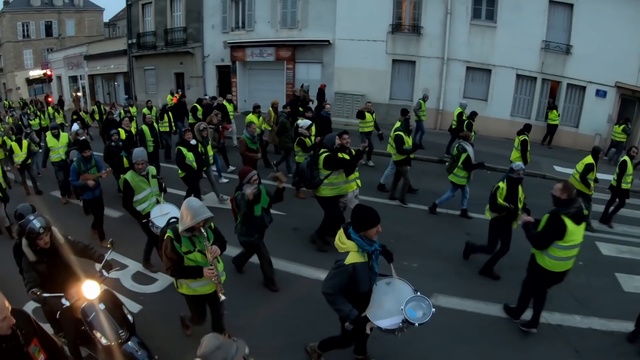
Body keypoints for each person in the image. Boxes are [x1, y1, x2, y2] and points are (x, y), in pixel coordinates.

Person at [306, 204, 394, 360]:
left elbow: (369, 250)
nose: (380, 229)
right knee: (347, 339)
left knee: (366, 329)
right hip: (352, 306)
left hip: (366, 299)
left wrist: (381, 249)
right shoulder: (348, 261)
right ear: (361, 230)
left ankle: (360, 354)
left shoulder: (365, 243)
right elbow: (329, 290)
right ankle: (317, 349)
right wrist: (353, 316)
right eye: (375, 227)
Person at [21, 215, 113, 360]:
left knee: (106, 303)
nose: (46, 240)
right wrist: (49, 299)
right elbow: (31, 285)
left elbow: (82, 248)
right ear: (33, 242)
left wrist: (101, 259)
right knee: (71, 333)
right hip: (58, 297)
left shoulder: (60, 241)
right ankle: (76, 355)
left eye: (47, 234)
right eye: (40, 238)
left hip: (78, 285)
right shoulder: (29, 260)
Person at [503, 180, 587, 333]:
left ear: (563, 195)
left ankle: (521, 315)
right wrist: (534, 221)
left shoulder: (558, 216)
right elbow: (556, 231)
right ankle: (529, 318)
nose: (551, 193)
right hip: (562, 268)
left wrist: (526, 225)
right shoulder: (577, 211)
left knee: (530, 287)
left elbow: (539, 243)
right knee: (539, 291)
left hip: (545, 265)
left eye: (554, 192)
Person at [163, 197, 230, 337]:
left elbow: (222, 241)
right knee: (199, 319)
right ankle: (186, 320)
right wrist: (201, 272)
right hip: (193, 290)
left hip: (214, 283)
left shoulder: (207, 225)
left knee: (218, 312)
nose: (201, 224)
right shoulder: (173, 238)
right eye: (197, 221)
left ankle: (220, 334)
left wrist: (218, 247)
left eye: (203, 220)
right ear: (188, 220)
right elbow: (171, 269)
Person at [463, 162, 530, 280]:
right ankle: (483, 264)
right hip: (498, 221)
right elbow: (493, 206)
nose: (520, 176)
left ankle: (475, 253)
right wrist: (508, 208)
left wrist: (524, 209)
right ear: (511, 173)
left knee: (500, 248)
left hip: (508, 222)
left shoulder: (519, 186)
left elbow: (520, 199)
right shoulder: (500, 187)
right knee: (494, 248)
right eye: (518, 173)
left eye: (522, 173)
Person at [231, 167, 285, 292]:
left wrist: (280, 185)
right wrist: (250, 201)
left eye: (257, 179)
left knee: (251, 250)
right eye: (252, 180)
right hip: (248, 231)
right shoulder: (241, 195)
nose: (256, 182)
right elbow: (245, 214)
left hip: (260, 227)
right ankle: (269, 280)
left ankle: (238, 261)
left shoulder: (260, 189)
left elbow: (274, 199)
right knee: (263, 255)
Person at [311, 131, 366, 252]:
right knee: (338, 218)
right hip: (325, 193)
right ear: (330, 142)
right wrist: (360, 151)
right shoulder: (328, 157)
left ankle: (319, 235)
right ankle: (319, 237)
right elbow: (349, 164)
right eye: (337, 140)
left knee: (330, 216)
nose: (339, 142)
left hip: (332, 192)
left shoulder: (330, 152)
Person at [120, 148, 167, 273]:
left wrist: (162, 187)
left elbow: (155, 183)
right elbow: (126, 204)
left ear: (147, 162)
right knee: (156, 239)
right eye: (137, 164)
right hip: (144, 214)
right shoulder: (129, 179)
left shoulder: (152, 169)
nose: (140, 167)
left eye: (142, 163)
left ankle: (146, 260)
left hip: (158, 208)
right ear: (133, 164)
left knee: (155, 237)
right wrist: (139, 217)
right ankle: (169, 267)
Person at [428, 131, 485, 218]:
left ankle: (463, 210)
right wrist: (479, 165)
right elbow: (468, 167)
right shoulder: (467, 151)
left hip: (455, 174)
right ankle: (434, 205)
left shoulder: (458, 146)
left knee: (465, 192)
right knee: (452, 192)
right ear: (469, 139)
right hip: (460, 177)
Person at [0, 291, 72, 359]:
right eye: (3, 319)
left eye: (9, 310)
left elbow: (52, 347)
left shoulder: (20, 317)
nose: (13, 320)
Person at [69, 139, 110, 247]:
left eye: (89, 151)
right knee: (99, 216)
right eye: (85, 152)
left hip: (98, 191)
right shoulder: (75, 165)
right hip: (87, 195)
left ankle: (93, 227)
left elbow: (101, 169)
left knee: (100, 213)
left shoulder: (95, 159)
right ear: (81, 153)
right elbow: (73, 181)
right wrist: (86, 183)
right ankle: (103, 240)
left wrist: (103, 174)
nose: (87, 154)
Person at [387, 108, 420, 207]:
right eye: (409, 119)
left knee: (397, 177)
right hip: (401, 158)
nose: (410, 123)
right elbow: (400, 149)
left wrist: (410, 132)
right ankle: (402, 199)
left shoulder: (403, 130)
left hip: (403, 158)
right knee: (406, 180)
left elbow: (406, 140)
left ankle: (392, 195)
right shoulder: (399, 133)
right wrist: (413, 150)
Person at [600, 146, 638, 228]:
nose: (634, 154)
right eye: (633, 152)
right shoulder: (625, 161)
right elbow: (620, 176)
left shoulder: (628, 160)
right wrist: (619, 188)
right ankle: (608, 218)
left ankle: (603, 218)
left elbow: (631, 169)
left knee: (612, 200)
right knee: (621, 203)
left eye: (636, 153)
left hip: (619, 186)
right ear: (629, 152)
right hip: (619, 187)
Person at [568, 146, 602, 233]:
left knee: (575, 202)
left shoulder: (590, 158)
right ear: (597, 154)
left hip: (575, 184)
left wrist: (594, 178)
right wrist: (589, 186)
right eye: (601, 153)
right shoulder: (591, 163)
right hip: (582, 187)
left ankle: (569, 217)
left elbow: (588, 172)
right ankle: (587, 224)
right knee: (588, 206)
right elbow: (582, 176)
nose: (602, 155)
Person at [194, 122, 230, 203]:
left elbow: (210, 151)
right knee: (196, 183)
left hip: (208, 165)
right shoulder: (198, 143)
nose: (205, 132)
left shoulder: (208, 140)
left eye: (205, 130)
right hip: (200, 166)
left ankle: (219, 197)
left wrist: (212, 160)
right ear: (199, 133)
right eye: (202, 131)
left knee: (212, 181)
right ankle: (196, 196)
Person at [41, 123, 72, 204]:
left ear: (58, 129)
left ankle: (69, 193)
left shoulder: (65, 135)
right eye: (52, 130)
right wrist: (43, 164)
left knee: (68, 178)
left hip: (66, 161)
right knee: (61, 179)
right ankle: (63, 196)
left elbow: (71, 146)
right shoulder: (48, 139)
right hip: (56, 163)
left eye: (55, 129)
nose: (54, 131)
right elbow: (46, 152)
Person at [9, 131, 44, 196]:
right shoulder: (13, 144)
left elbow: (29, 153)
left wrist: (19, 163)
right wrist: (14, 164)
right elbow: (10, 155)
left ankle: (36, 190)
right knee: (24, 179)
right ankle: (28, 191)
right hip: (21, 165)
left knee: (32, 177)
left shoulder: (25, 142)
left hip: (26, 163)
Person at [292, 119, 318, 199]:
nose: (311, 130)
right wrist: (316, 144)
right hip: (301, 161)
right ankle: (297, 192)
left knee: (312, 176)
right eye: (309, 128)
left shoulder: (307, 137)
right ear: (305, 129)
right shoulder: (300, 139)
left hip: (307, 160)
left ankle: (314, 191)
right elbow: (307, 149)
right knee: (301, 177)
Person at [175, 128, 205, 200]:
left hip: (196, 172)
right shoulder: (181, 148)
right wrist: (191, 171)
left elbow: (201, 154)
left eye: (190, 134)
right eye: (187, 135)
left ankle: (189, 201)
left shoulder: (196, 144)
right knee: (194, 188)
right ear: (183, 137)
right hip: (186, 173)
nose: (189, 136)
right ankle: (193, 202)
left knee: (193, 187)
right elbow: (180, 163)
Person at [103, 129, 132, 194]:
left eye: (116, 135)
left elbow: (128, 151)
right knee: (119, 179)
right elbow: (106, 158)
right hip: (116, 167)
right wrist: (113, 163)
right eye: (113, 136)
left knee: (127, 178)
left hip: (125, 165)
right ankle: (121, 190)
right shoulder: (108, 146)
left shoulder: (122, 142)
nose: (115, 137)